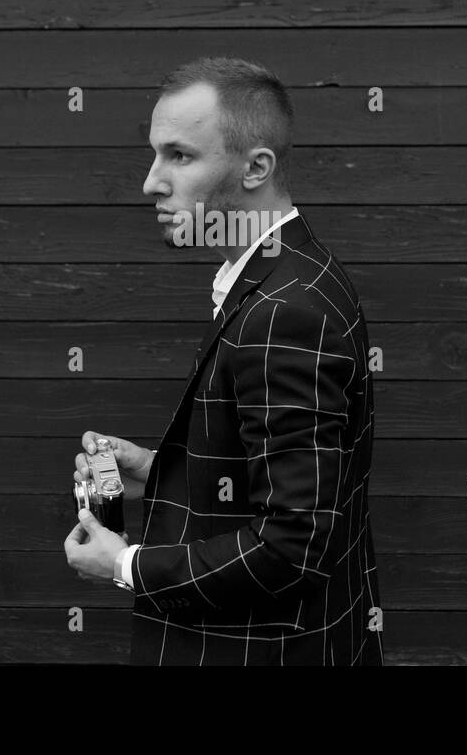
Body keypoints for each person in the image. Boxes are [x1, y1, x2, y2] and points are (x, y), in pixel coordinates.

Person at [65, 56, 382, 665]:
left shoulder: (285, 310)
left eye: (180, 156)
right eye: (156, 154)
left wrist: (124, 565)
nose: (151, 181)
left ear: (256, 166)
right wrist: (163, 473)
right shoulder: (290, 273)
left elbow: (292, 546)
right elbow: (297, 483)